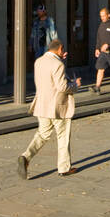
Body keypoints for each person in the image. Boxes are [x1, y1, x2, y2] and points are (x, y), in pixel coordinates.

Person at [18, 39, 78, 179]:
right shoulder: (58, 64)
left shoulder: (38, 61)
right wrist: (74, 85)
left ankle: (26, 157)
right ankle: (64, 167)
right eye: (63, 50)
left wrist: (60, 60)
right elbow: (62, 87)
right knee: (63, 136)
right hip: (58, 107)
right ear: (60, 49)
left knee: (43, 134)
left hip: (42, 105)